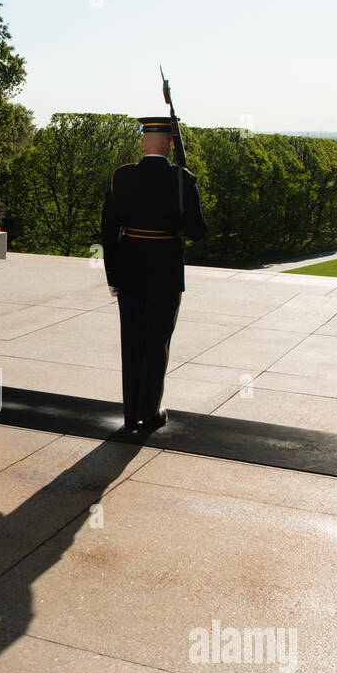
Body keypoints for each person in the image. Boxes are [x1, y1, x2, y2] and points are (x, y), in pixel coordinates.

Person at [101, 115, 207, 435]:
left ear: (144, 141)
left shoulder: (122, 176)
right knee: (156, 342)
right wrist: (190, 190)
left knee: (132, 342)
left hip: (130, 270)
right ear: (171, 144)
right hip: (165, 271)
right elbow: (197, 231)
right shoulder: (181, 179)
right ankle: (150, 412)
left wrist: (112, 275)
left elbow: (108, 230)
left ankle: (131, 413)